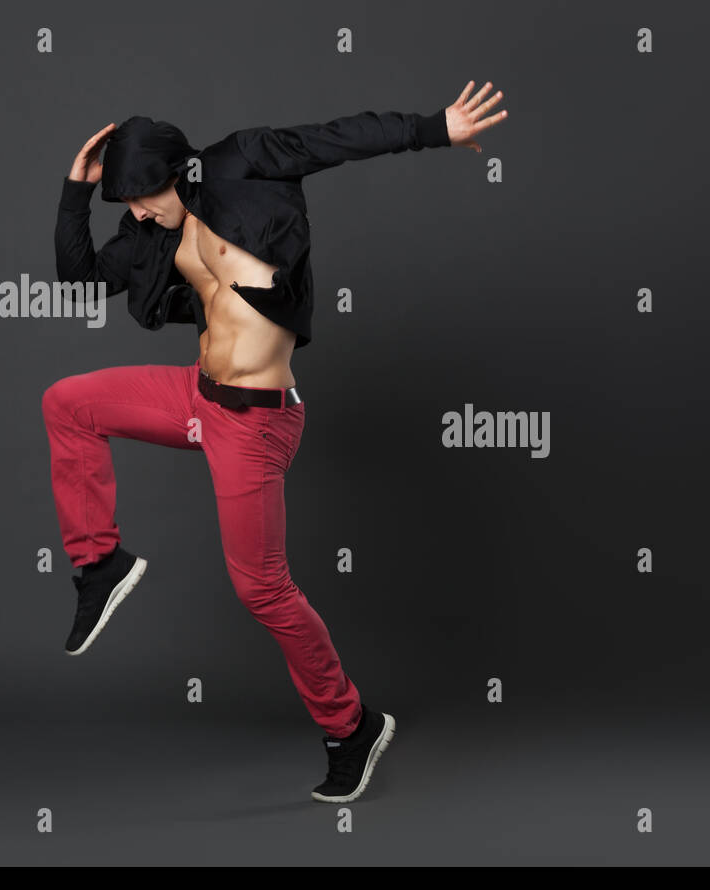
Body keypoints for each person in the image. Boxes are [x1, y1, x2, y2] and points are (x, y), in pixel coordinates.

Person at [41, 82, 509, 803]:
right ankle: (99, 565)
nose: (135, 213)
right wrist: (76, 193)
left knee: (261, 588)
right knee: (67, 403)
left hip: (257, 421)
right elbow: (76, 281)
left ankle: (350, 725)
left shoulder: (244, 162)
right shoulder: (149, 236)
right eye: (126, 204)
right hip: (199, 397)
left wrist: (433, 129)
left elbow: (338, 136)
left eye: (142, 197)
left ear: (175, 172)